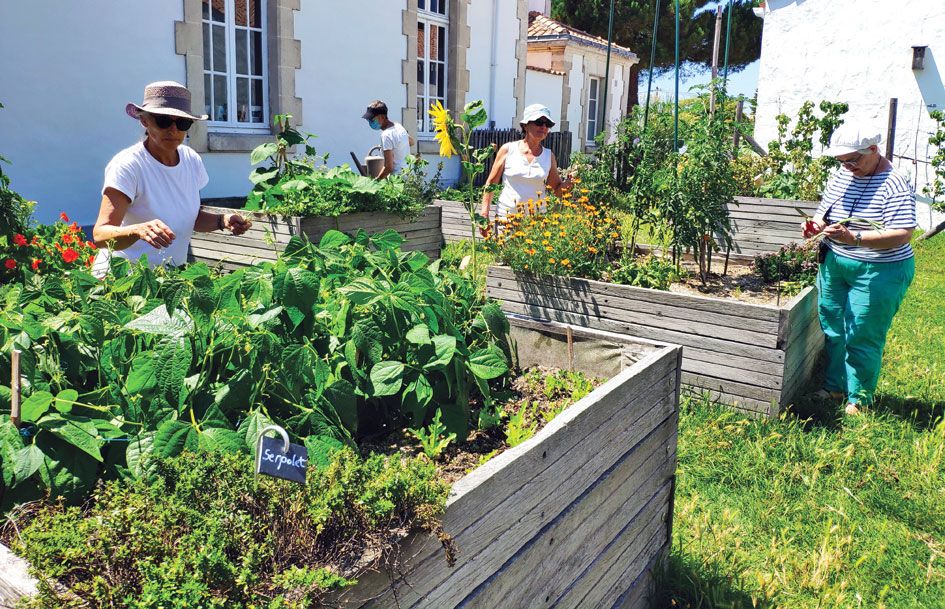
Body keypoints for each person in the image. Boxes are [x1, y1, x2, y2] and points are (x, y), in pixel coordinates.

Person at [803, 127, 916, 415]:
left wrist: (855, 238)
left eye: (853, 161)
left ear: (874, 151)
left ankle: (860, 398)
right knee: (833, 327)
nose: (848, 167)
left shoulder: (894, 182)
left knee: (863, 333)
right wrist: (816, 224)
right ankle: (835, 386)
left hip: (880, 269)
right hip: (836, 261)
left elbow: (903, 233)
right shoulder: (843, 173)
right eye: (842, 162)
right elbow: (825, 207)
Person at [92, 81, 251, 274]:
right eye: (164, 121)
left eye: (182, 123)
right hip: (124, 281)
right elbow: (101, 235)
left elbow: (189, 217)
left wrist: (222, 220)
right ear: (145, 121)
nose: (173, 130)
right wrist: (137, 230)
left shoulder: (191, 160)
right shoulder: (128, 165)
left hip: (167, 279)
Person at [479, 104, 569, 232]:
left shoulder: (549, 156)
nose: (543, 127)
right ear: (525, 125)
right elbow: (491, 184)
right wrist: (484, 214)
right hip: (507, 219)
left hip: (536, 223)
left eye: (547, 124)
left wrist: (571, 181)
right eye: (539, 122)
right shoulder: (508, 150)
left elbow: (556, 190)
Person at [361, 100, 413, 179]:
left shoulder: (386, 135)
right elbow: (411, 142)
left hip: (398, 179)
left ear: (382, 117)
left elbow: (389, 167)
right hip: (410, 176)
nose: (370, 122)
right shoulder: (398, 126)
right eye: (368, 120)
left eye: (372, 120)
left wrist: (376, 181)